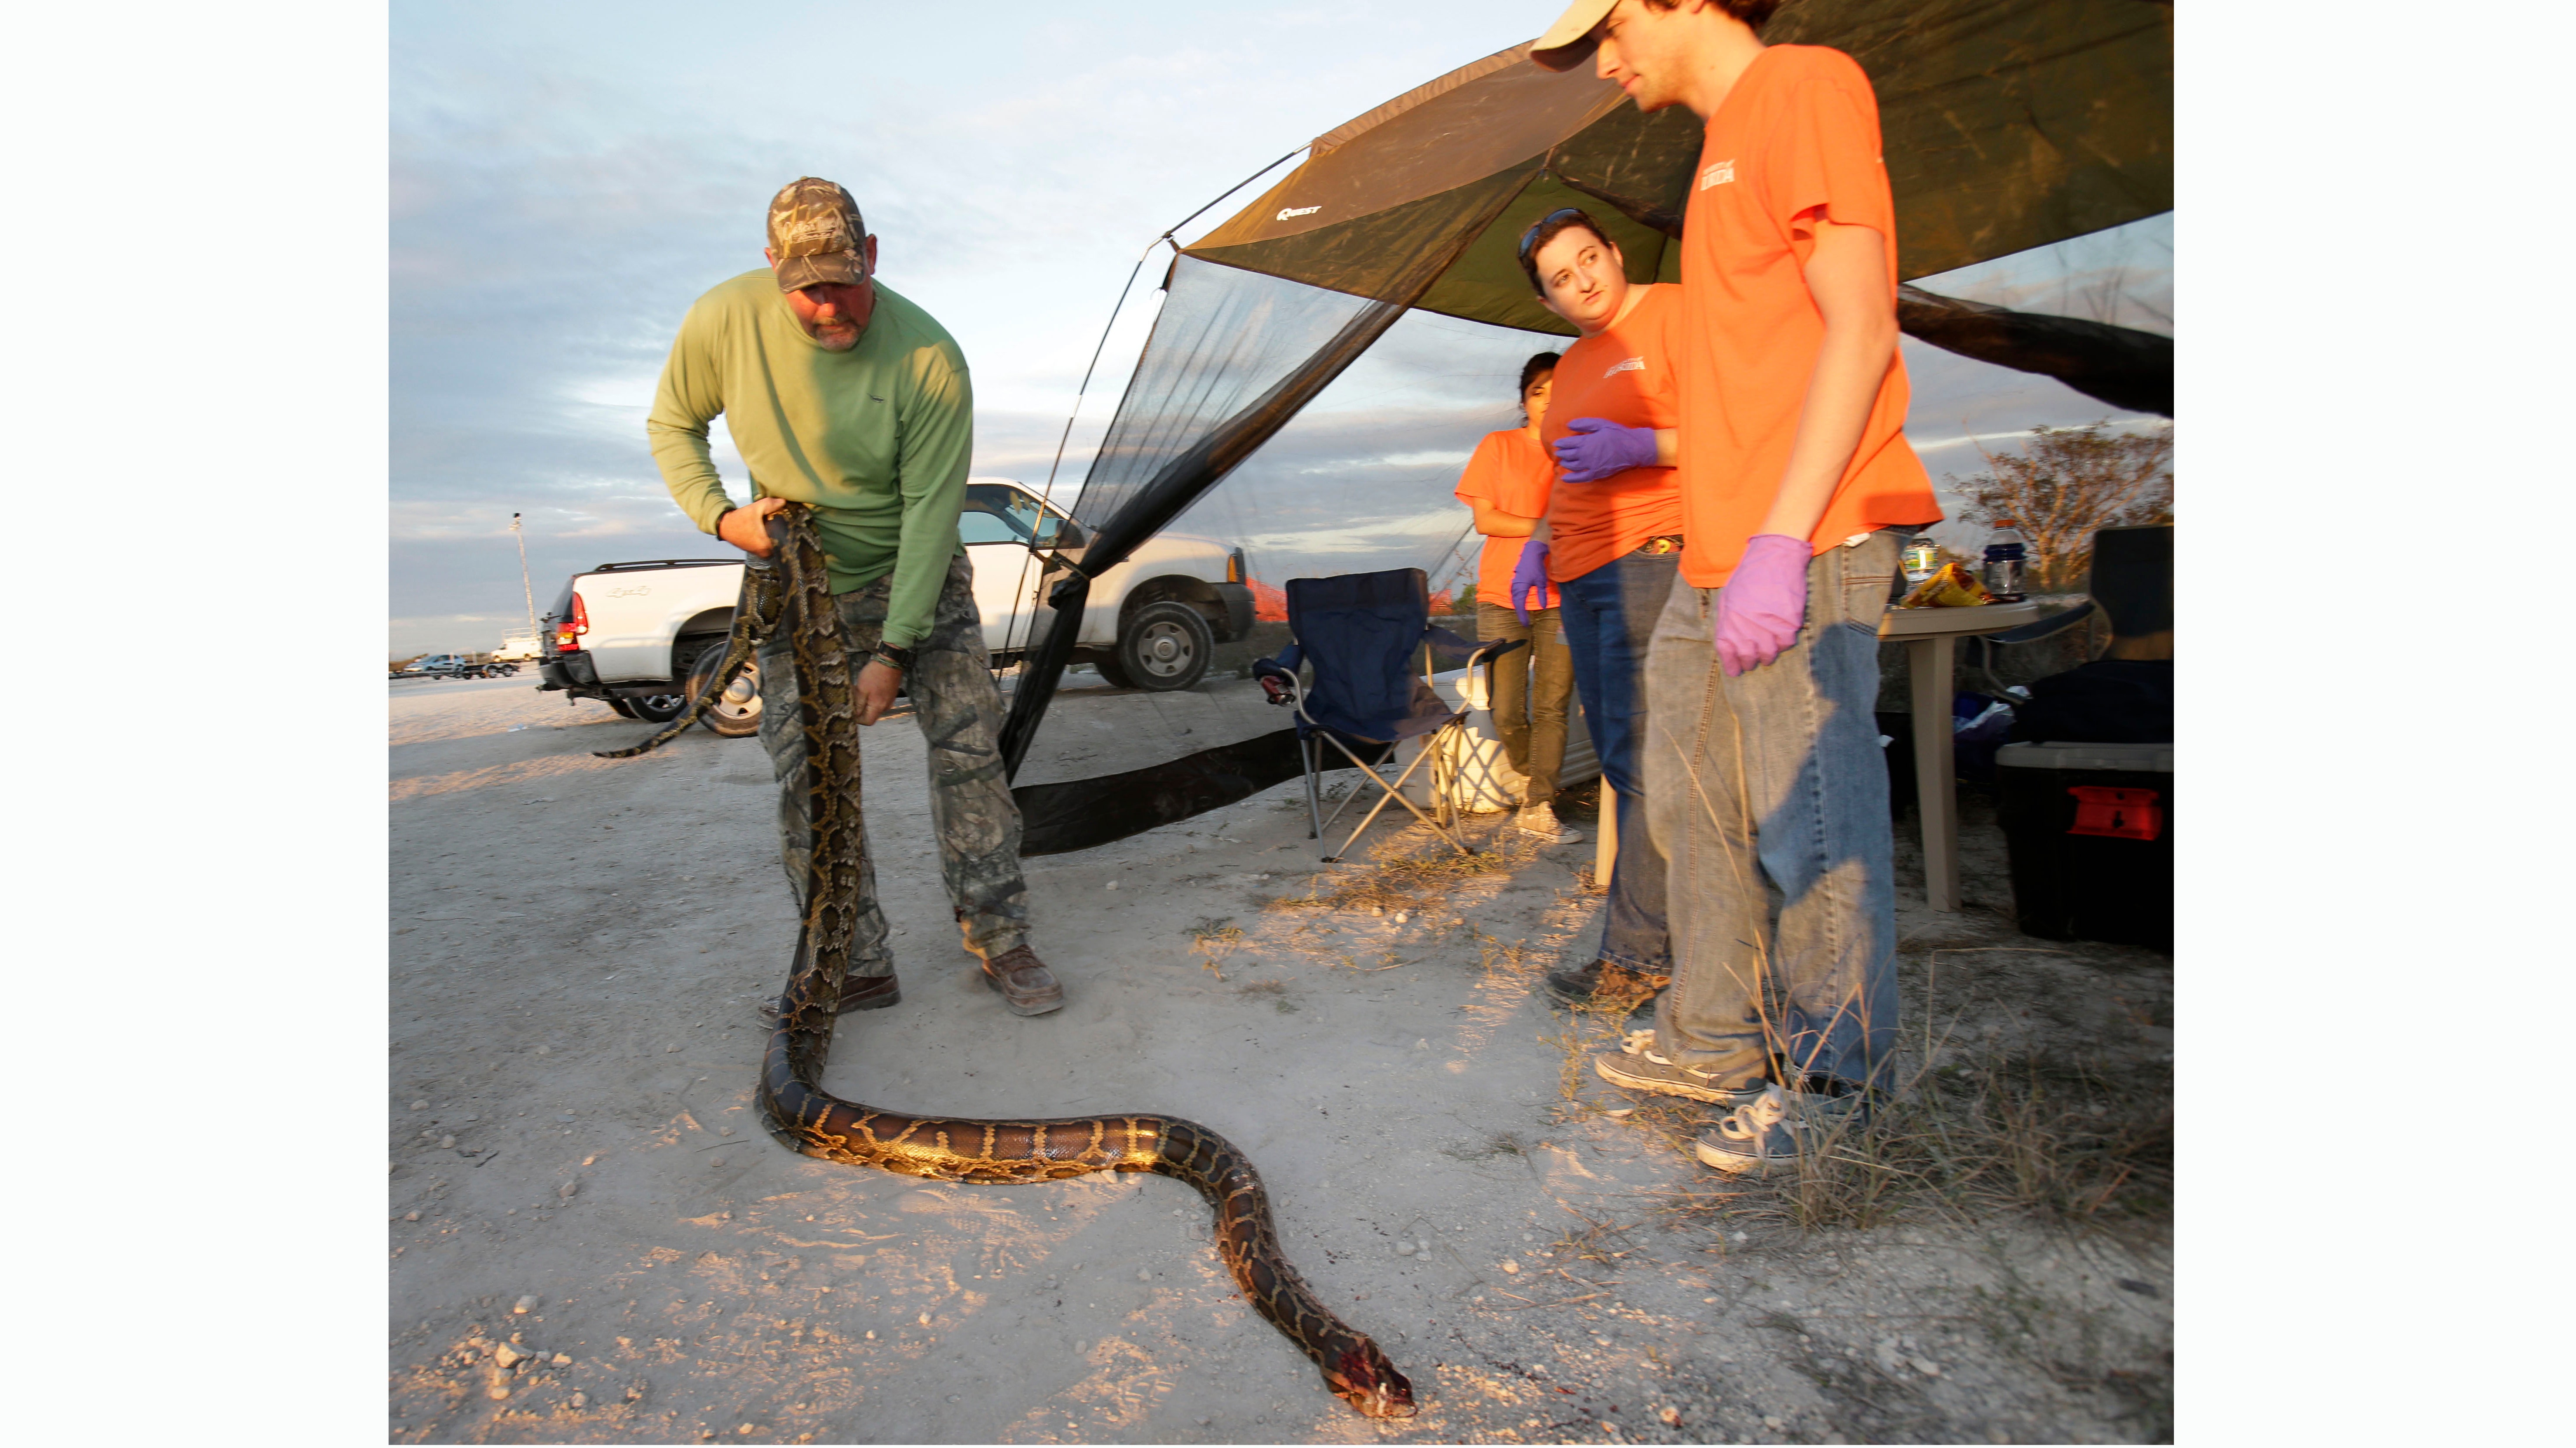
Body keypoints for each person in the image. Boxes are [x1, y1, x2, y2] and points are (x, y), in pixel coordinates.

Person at [1532, 2, 1945, 1173]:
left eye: (1610, 30)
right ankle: (1711, 1034)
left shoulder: (1800, 88)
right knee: (1687, 799)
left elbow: (1859, 326)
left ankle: (1836, 1080)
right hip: (1712, 551)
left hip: (1802, 532)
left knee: (1807, 813)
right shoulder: (1713, 148)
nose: (1604, 63)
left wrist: (1781, 537)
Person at [645, 176, 1066, 1018]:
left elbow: (930, 512)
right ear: (772, 265)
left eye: (843, 281)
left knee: (968, 749)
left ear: (871, 255)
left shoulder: (929, 357)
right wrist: (721, 515)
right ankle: (855, 960)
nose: (827, 306)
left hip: (915, 569)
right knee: (807, 776)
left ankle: (1000, 934)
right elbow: (673, 424)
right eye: (805, 288)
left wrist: (894, 649)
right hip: (793, 582)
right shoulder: (722, 320)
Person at [1506, 209, 1686, 1008]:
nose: (1582, 282)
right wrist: (1538, 541)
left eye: (1588, 259)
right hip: (1578, 574)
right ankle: (1650, 947)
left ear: (1614, 252)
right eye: (1560, 279)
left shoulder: (1677, 313)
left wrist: (1643, 447)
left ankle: (1642, 959)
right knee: (1621, 760)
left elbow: (1741, 427)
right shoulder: (1577, 361)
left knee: (1647, 762)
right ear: (1547, 301)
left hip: (1651, 557)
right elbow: (1563, 467)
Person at [1453, 353, 1583, 845]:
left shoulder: (1578, 452)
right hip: (1501, 595)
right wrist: (1547, 528)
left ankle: (1539, 805)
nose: (1548, 401)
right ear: (1524, 399)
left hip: (1563, 594)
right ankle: (1535, 778)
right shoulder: (1499, 446)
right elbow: (1486, 520)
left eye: (1559, 391)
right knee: (1506, 709)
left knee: (1553, 706)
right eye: (1538, 391)